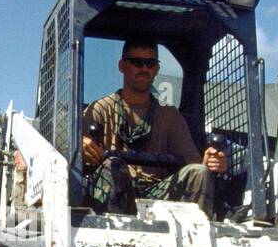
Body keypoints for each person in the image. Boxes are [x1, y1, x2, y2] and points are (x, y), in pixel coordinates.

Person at [81, 39, 227, 217]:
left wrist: (210, 164)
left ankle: (194, 239)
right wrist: (81, 144)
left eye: (150, 64)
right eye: (136, 62)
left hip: (157, 195)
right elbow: (66, 152)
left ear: (157, 69)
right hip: (111, 195)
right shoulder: (99, 109)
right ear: (122, 66)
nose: (143, 69)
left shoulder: (170, 116)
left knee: (199, 173)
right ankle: (112, 235)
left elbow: (193, 164)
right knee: (112, 165)